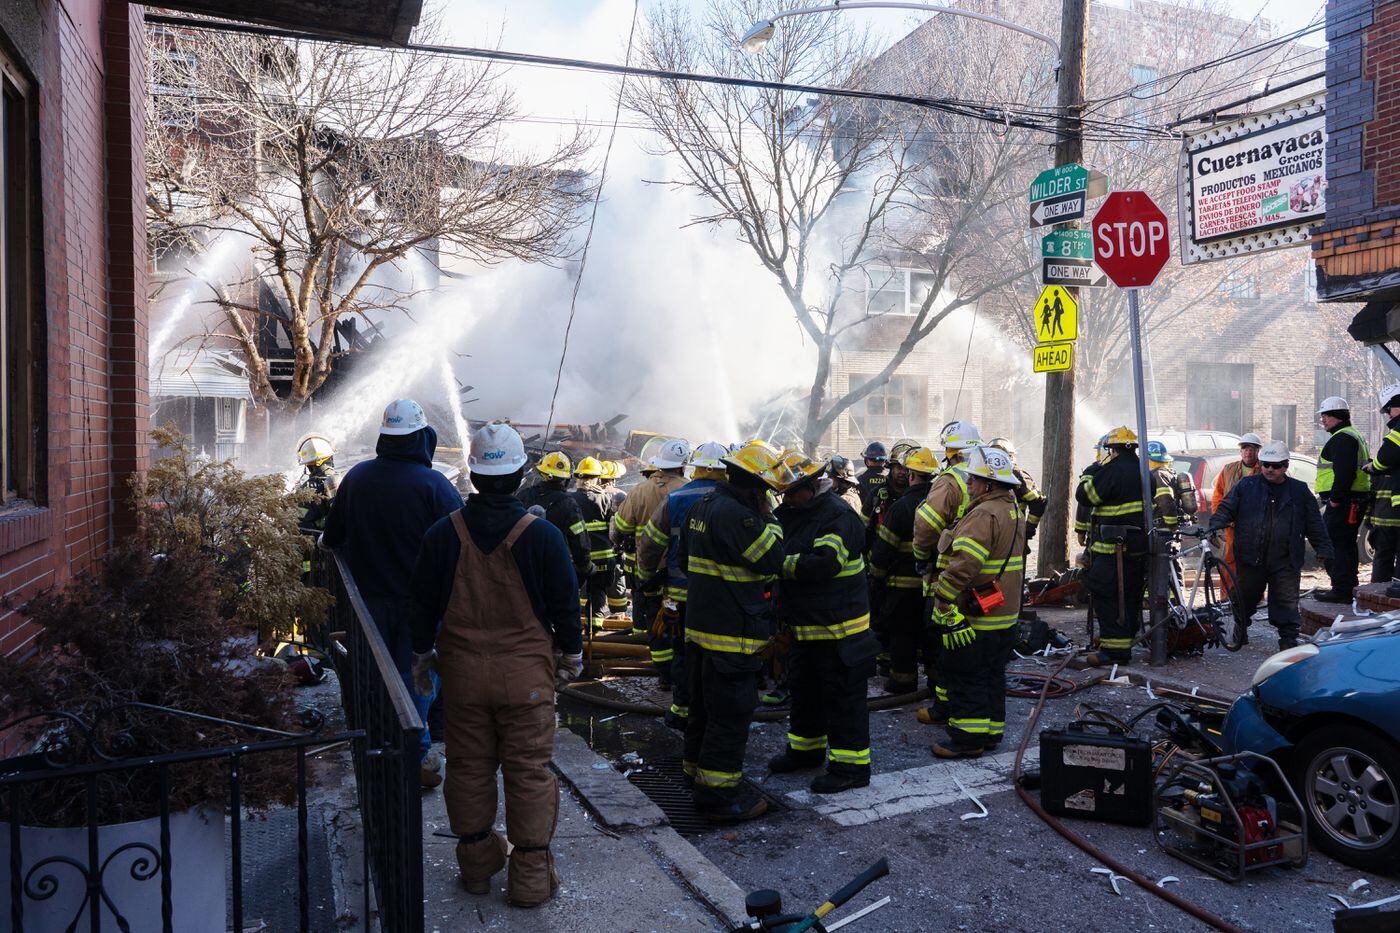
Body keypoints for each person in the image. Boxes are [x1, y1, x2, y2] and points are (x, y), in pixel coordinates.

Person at [407, 421, 581, 907]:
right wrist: (571, 653)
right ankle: (528, 879)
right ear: (521, 472)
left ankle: (479, 868)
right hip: (525, 678)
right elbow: (565, 604)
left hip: (461, 676)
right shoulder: (542, 535)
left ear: (475, 476)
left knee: (468, 769)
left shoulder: (443, 534)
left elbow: (421, 604)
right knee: (528, 772)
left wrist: (423, 655)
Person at [322, 399, 462, 788]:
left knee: (376, 677)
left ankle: (380, 749)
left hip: (367, 603)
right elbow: (461, 545)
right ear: (421, 438)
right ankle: (414, 756)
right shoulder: (436, 486)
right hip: (422, 606)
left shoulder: (357, 478)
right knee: (418, 676)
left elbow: (331, 538)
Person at [678, 442, 786, 821]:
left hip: (701, 630)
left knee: (703, 709)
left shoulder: (702, 506)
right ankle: (719, 797)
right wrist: (771, 520)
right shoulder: (740, 517)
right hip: (733, 635)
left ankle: (695, 772)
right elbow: (771, 558)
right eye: (766, 491)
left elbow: (682, 559)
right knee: (730, 715)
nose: (768, 497)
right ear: (756, 487)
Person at [767, 452, 875, 793]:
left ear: (811, 487)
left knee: (843, 700)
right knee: (805, 693)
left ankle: (851, 768)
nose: (785, 499)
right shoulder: (792, 511)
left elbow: (825, 563)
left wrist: (778, 564)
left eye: (791, 491)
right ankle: (805, 751)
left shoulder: (839, 516)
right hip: (806, 626)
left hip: (840, 630)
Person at [927, 445, 1026, 759]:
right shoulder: (1013, 509)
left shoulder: (983, 513)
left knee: (967, 673)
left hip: (979, 615)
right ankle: (991, 733)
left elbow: (965, 563)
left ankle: (968, 739)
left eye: (974, 480)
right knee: (992, 674)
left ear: (990, 484)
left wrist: (942, 595)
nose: (969, 484)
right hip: (1005, 613)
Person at [1208, 440, 1333, 650]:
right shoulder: (1246, 486)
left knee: (1286, 602)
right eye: (1265, 464)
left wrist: (1323, 547)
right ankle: (1241, 625)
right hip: (1251, 557)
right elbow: (1226, 508)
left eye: (1275, 466)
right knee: (1245, 598)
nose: (1269, 469)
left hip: (1285, 558)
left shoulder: (1299, 491)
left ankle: (1288, 640)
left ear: (1285, 466)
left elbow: (1314, 522)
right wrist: (1214, 526)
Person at [636, 442, 729, 710]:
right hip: (723, 595)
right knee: (719, 651)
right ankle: (716, 705)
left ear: (695, 466)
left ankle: (683, 708)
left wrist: (647, 579)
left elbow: (650, 543)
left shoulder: (675, 499)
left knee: (683, 648)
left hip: (680, 592)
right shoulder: (737, 498)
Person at [868, 447, 939, 694]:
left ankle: (903, 682)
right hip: (934, 585)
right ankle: (936, 682)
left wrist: (875, 578)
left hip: (902, 587)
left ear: (911, 475)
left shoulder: (901, 507)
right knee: (932, 636)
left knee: (903, 636)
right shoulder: (940, 502)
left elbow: (883, 549)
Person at [1076, 426, 1146, 665]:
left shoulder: (1111, 471)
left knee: (1107, 595)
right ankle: (1121, 641)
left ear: (1112, 450)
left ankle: (1114, 652)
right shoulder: (1143, 470)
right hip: (1137, 550)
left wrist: (1088, 474)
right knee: (1130, 596)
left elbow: (1086, 497)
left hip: (1111, 551)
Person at [613, 439, 691, 636]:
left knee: (646, 606)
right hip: (678, 568)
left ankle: (642, 645)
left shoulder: (640, 490)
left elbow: (621, 526)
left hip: (645, 564)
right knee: (674, 614)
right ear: (683, 466)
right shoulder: (689, 490)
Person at [1315, 397, 1371, 603]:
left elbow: (1344, 473)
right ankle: (1348, 587)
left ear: (1337, 416)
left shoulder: (1342, 438)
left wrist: (1335, 500)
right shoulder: (1352, 435)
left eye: (1326, 416)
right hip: (1353, 500)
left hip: (1344, 502)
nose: (1323, 421)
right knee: (1346, 544)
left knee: (1334, 544)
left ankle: (1341, 589)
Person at [518, 451, 592, 582]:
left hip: (523, 567)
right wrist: (585, 565)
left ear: (542, 473)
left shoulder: (524, 496)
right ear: (566, 478)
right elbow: (579, 539)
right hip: (555, 570)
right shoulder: (569, 504)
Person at [1212, 434, 1262, 579]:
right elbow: (1218, 496)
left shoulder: (1265, 470)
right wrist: (1219, 520)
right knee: (1229, 560)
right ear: (1241, 451)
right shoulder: (1228, 470)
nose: (1248, 452)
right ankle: (1226, 597)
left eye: (1252, 449)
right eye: (1245, 449)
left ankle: (1254, 598)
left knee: (1255, 561)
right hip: (1232, 525)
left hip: (1255, 526)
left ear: (1258, 451)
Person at [1364, 382, 1400, 584]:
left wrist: (1372, 467)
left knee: (1385, 557)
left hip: (1391, 515)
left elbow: (1385, 456)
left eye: (1389, 410)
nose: (1389, 415)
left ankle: (1383, 600)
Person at [989, 437, 1046, 545]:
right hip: (992, 530)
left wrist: (1028, 529)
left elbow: (1039, 501)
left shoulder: (1018, 477)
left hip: (1015, 535)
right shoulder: (985, 475)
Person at [294, 432, 339, 533]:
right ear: (330, 458)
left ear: (308, 465)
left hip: (315, 542)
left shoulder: (304, 489)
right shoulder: (339, 480)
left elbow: (299, 521)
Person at [1146, 440, 1195, 530]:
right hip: (1167, 526)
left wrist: (1172, 525)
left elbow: (1166, 500)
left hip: (1163, 528)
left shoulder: (1158, 475)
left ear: (1148, 459)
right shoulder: (1168, 472)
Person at [856, 442, 888, 518]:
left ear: (867, 461)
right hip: (888, 519)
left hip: (867, 518)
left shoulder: (860, 479)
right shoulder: (891, 477)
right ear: (884, 460)